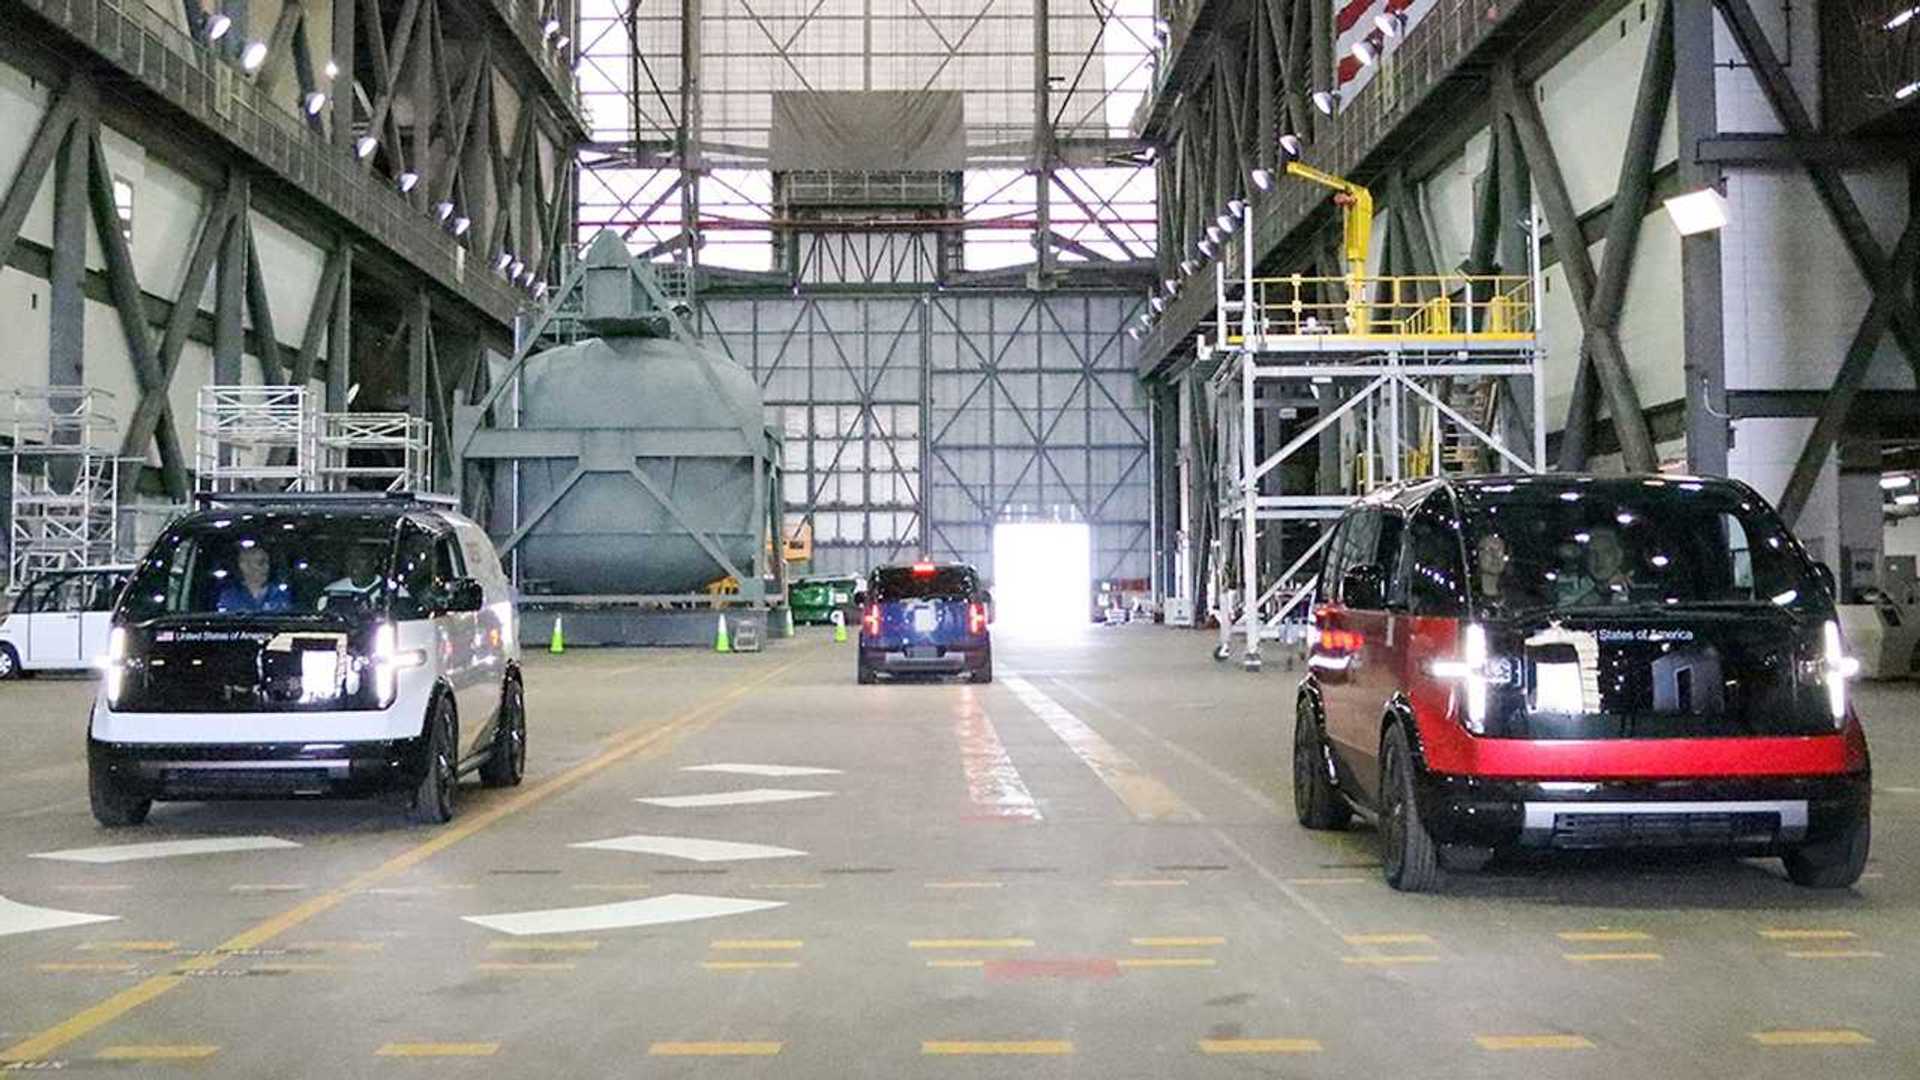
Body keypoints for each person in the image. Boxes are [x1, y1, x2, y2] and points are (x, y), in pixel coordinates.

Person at [1559, 527, 1634, 607]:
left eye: (1606, 552)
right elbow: (1563, 610)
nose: (1599, 559)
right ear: (1586, 558)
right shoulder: (1574, 586)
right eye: (1593, 553)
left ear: (1619, 555)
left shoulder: (1635, 586)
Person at [215, 544, 294, 613]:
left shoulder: (280, 595)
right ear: (244, 566)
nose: (266, 567)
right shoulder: (230, 597)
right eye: (261, 563)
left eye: (268, 563)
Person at [321, 544, 386, 612]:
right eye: (349, 558)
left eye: (361, 558)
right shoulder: (332, 591)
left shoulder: (387, 590)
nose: (354, 563)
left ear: (375, 562)